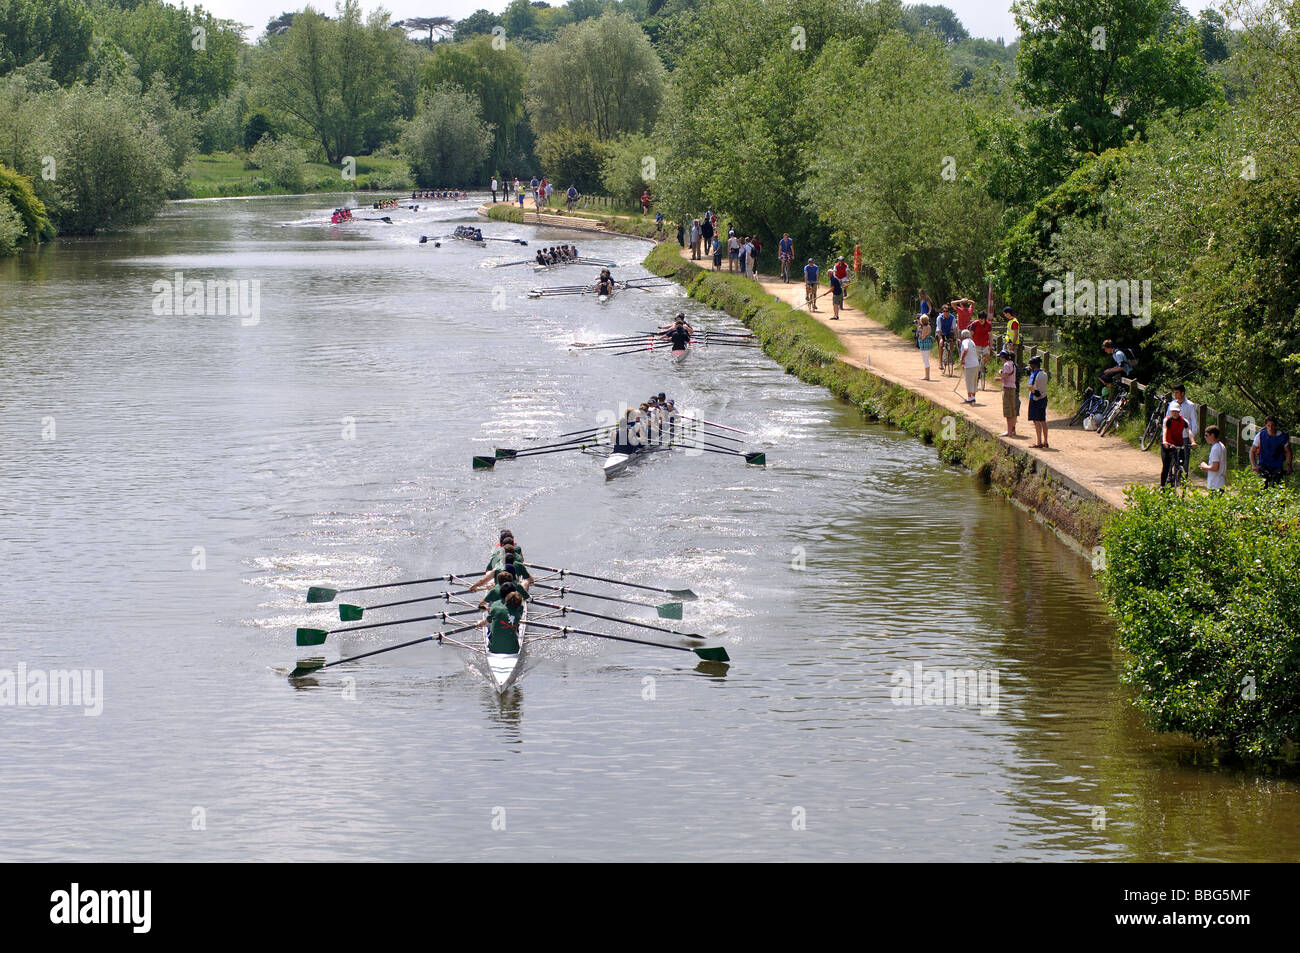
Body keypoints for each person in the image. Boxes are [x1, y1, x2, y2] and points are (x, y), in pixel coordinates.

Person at [1251, 416, 1293, 487]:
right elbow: (1252, 451)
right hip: (1263, 464)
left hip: (1277, 465)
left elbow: (1288, 452)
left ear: (1275, 426)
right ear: (1266, 426)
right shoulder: (1260, 435)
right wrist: (1254, 465)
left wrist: (1289, 465)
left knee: (1278, 489)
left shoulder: (1282, 437)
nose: (1270, 428)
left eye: (1272, 425)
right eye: (1268, 426)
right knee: (1262, 488)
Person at [1161, 406, 1191, 487]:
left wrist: (1193, 441)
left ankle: (1177, 477)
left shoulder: (1183, 421)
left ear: (1179, 412)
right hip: (1168, 445)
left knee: (1181, 462)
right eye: (1173, 411)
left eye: (1176, 411)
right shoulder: (1167, 420)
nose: (1175, 413)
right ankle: (1162, 486)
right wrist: (1164, 441)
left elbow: (1188, 431)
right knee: (1166, 467)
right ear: (1171, 411)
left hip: (1178, 444)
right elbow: (1165, 430)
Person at [1026, 355, 1049, 448]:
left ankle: (1038, 442)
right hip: (1044, 398)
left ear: (1033, 365)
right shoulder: (1044, 373)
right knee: (1043, 420)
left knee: (1036, 421)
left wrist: (1035, 393)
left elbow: (1030, 386)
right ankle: (1045, 441)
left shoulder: (1034, 374)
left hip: (1035, 399)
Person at [998, 349, 1019, 437]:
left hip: (1007, 389)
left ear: (1003, 357)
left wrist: (1000, 375)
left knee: (1007, 411)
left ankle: (1009, 431)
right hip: (1013, 388)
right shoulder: (1012, 364)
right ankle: (1012, 430)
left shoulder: (1006, 365)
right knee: (1013, 410)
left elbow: (1005, 377)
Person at [970, 310, 993, 386]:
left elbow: (990, 335)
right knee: (976, 362)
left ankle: (982, 366)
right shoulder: (974, 324)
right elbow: (971, 335)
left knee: (987, 357)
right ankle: (976, 376)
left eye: (982, 318)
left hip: (985, 344)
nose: (981, 320)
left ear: (985, 319)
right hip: (976, 345)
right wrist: (971, 344)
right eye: (980, 318)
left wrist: (991, 345)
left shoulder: (988, 324)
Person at [1200, 425, 1227, 491]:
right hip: (1221, 483)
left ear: (1212, 435)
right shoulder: (1221, 446)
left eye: (1206, 435)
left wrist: (1205, 466)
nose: (1205, 437)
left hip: (1215, 484)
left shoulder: (1215, 449)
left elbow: (1215, 467)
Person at [959, 328, 979, 403]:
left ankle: (969, 397)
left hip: (970, 365)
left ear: (963, 336)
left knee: (968, 381)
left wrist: (962, 358)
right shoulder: (972, 341)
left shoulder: (965, 342)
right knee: (974, 381)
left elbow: (966, 349)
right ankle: (973, 396)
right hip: (975, 364)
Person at [917, 314, 933, 380]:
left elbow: (922, 337)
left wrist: (919, 331)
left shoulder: (924, 328)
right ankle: (927, 375)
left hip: (924, 345)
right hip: (928, 344)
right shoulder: (929, 326)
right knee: (926, 359)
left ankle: (927, 376)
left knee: (925, 360)